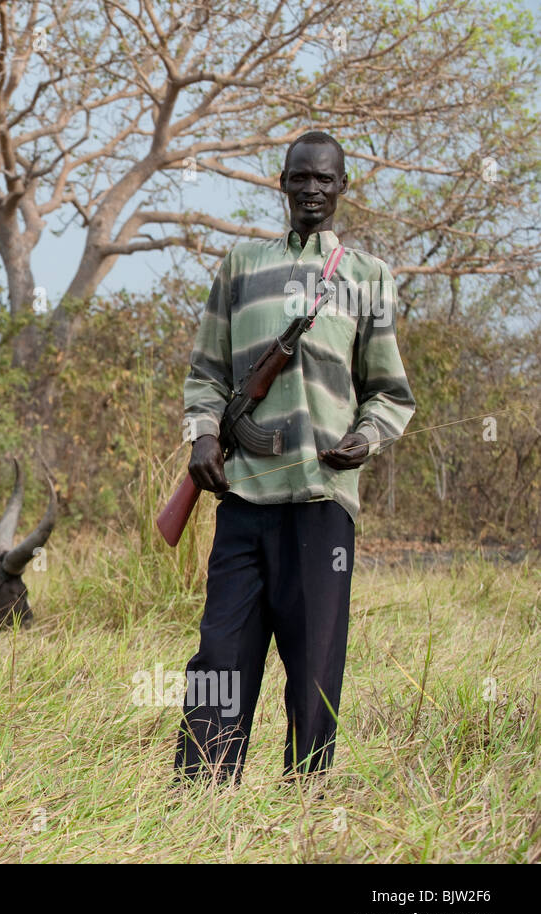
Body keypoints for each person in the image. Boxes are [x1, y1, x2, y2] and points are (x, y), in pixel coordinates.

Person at [175, 131, 416, 783]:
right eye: (300, 178)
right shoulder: (240, 266)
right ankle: (198, 800)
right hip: (244, 500)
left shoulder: (367, 278)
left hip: (321, 502)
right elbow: (204, 372)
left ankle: (306, 806)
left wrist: (365, 439)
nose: (312, 189)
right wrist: (203, 436)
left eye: (325, 179)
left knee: (314, 672)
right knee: (220, 657)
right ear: (281, 183)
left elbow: (391, 394)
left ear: (342, 189)